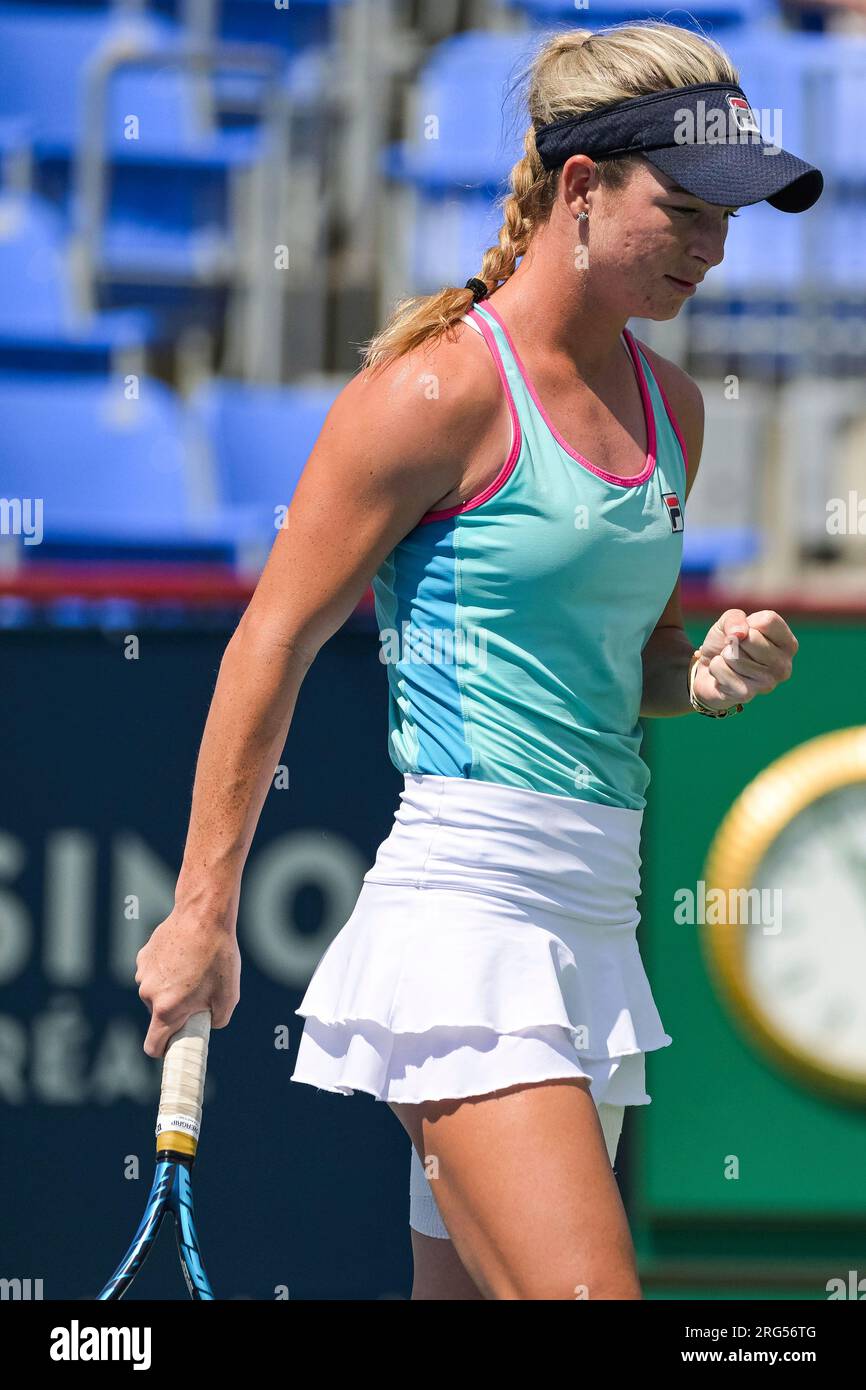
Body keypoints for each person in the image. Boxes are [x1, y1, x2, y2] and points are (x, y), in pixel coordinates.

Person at [135, 19, 818, 1300]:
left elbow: (632, 663)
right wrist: (200, 908)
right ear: (579, 188)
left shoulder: (674, 410)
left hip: (591, 929)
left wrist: (703, 671)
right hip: (466, 926)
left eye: (728, 217)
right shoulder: (434, 394)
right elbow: (269, 643)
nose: (712, 245)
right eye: (681, 209)